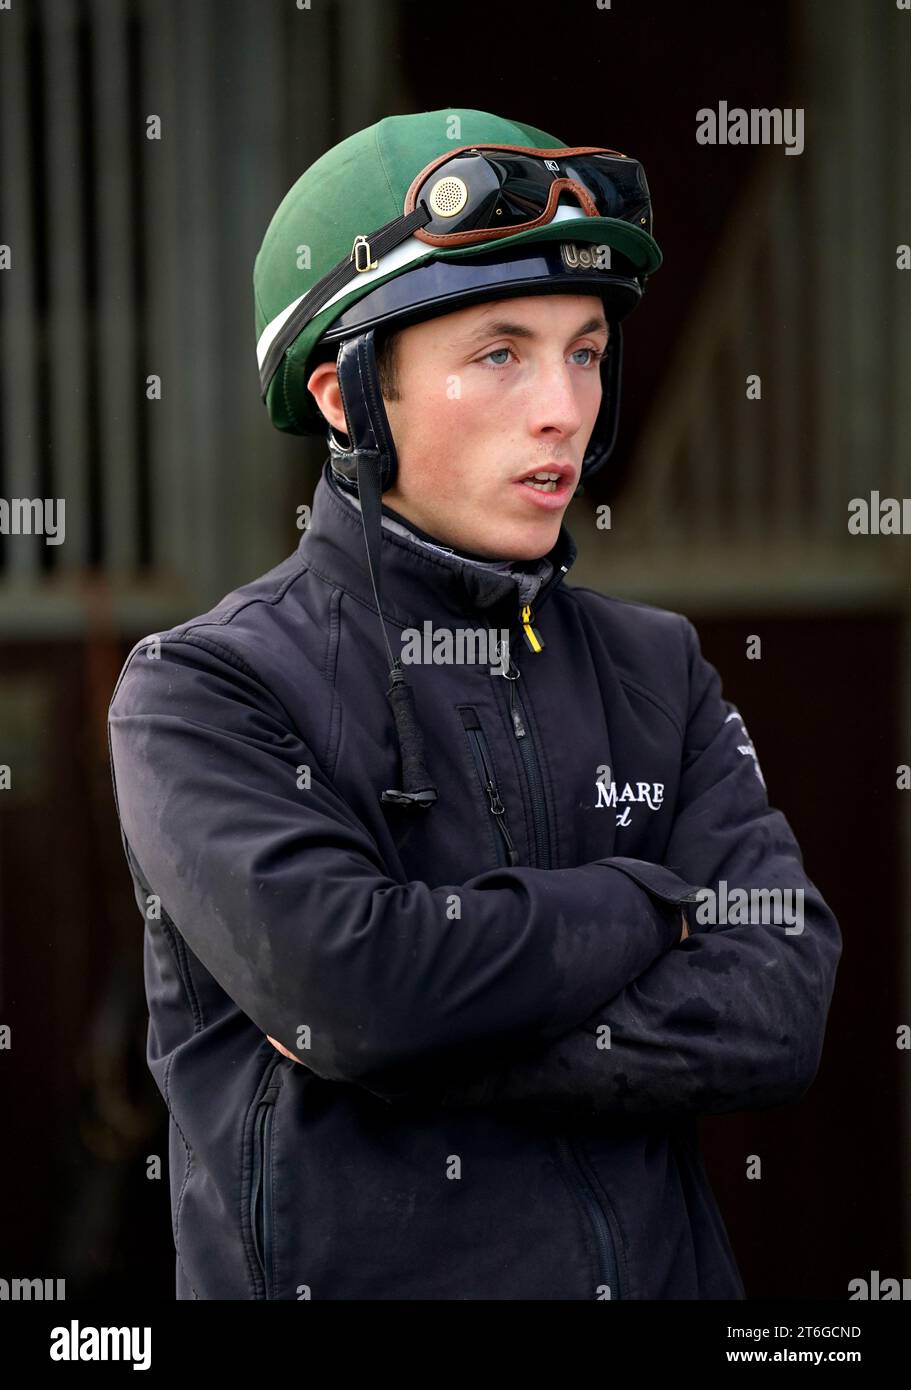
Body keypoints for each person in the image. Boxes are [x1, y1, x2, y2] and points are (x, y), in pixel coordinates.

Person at [107, 107, 842, 1300]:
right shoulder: (200, 689)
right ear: (347, 398)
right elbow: (364, 991)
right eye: (500, 351)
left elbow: (780, 1004)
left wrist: (411, 1045)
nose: (563, 406)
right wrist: (650, 904)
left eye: (586, 349)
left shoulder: (659, 668)